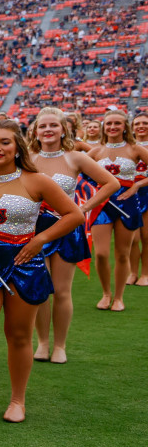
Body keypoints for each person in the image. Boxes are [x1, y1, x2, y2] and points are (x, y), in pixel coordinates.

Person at [0, 120, 83, 422]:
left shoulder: (36, 181)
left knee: (19, 335)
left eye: (4, 142)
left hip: (25, 263)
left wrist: (40, 240)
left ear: (17, 147)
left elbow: (74, 215)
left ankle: (17, 400)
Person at [28, 108, 118, 363]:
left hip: (67, 228)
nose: (47, 130)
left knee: (63, 291)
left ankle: (60, 346)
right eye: (42, 126)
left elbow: (111, 183)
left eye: (53, 126)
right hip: (34, 230)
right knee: (40, 290)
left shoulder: (75, 157)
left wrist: (84, 207)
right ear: (35, 131)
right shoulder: (27, 158)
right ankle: (43, 343)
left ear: (63, 129)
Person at [88, 110, 148, 311]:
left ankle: (119, 297)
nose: (112, 127)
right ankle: (106, 293)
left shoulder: (135, 149)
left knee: (123, 254)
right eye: (108, 123)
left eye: (117, 123)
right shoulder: (96, 151)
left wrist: (137, 186)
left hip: (127, 203)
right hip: (101, 204)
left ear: (125, 127)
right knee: (102, 254)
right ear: (104, 127)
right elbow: (75, 170)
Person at [126, 112, 148, 286]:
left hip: (145, 192)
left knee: (146, 236)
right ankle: (133, 272)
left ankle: (145, 273)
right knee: (133, 238)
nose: (141, 126)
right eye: (137, 124)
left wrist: (139, 185)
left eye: (145, 123)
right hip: (130, 195)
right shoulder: (127, 147)